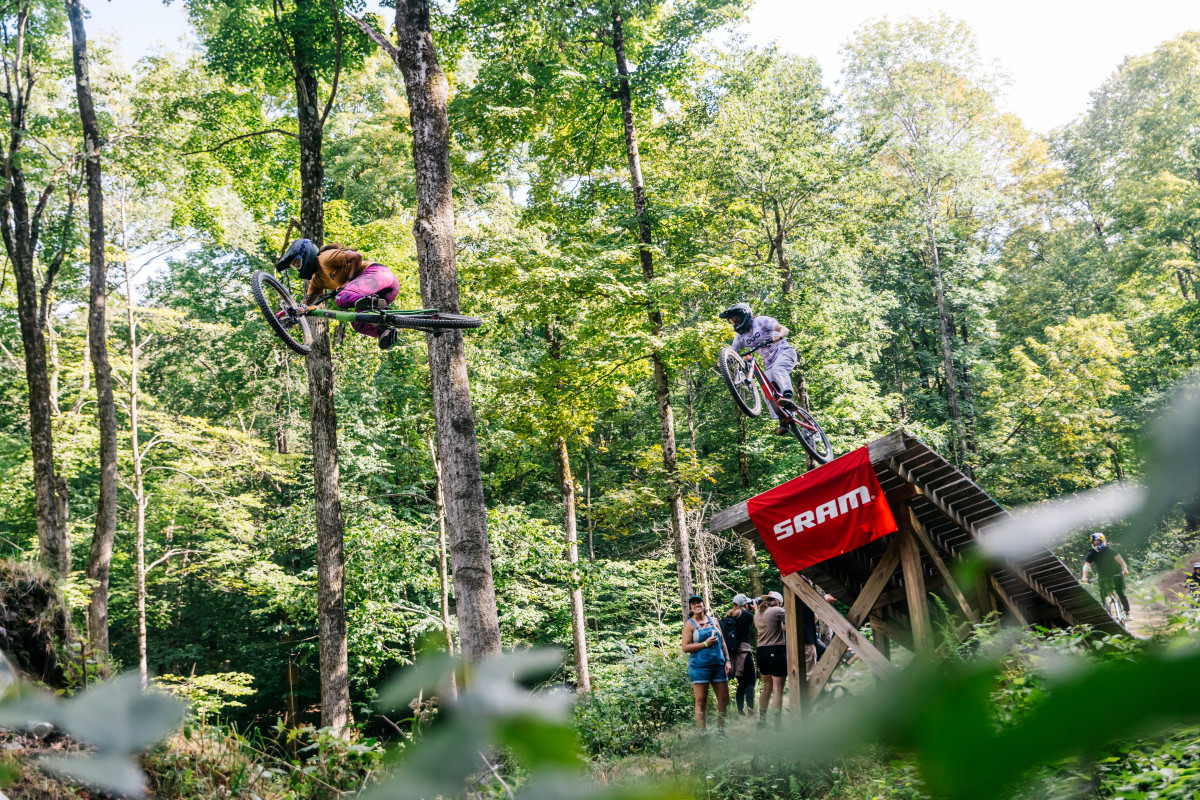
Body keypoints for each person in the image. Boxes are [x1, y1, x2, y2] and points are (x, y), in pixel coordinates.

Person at [277, 239, 403, 350]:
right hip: (386, 291)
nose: (298, 268)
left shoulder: (324, 258)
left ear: (306, 253)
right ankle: (385, 331)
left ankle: (374, 305)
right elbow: (306, 303)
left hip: (378, 274)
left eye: (297, 263)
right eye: (295, 266)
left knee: (342, 298)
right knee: (358, 322)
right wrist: (293, 316)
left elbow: (357, 256)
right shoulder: (317, 280)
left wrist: (348, 282)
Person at [719, 303, 798, 435]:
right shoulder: (740, 337)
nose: (735, 322)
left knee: (777, 370)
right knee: (765, 389)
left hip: (784, 352)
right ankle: (783, 419)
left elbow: (784, 329)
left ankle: (788, 397)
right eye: (732, 321)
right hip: (769, 363)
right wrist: (722, 361)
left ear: (745, 314)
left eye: (737, 318)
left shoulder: (761, 321)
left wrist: (779, 335)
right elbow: (731, 351)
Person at [681, 594, 732, 734]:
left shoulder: (714, 620)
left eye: (699, 602)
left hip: (719, 665)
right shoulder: (689, 625)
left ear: (704, 605)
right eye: (693, 604)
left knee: (724, 698)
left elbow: (722, 642)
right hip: (700, 666)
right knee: (701, 701)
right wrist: (705, 644)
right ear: (691, 608)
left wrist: (727, 660)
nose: (697, 605)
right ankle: (703, 733)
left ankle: (720, 730)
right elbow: (685, 647)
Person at [754, 591, 787, 728]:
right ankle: (777, 723)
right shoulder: (778, 610)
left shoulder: (758, 614)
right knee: (778, 688)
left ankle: (762, 720)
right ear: (779, 601)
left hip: (761, 651)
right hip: (776, 650)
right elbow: (791, 622)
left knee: (766, 687)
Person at [722, 594, 757, 716]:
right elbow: (758, 625)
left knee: (741, 683)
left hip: (733, 654)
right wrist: (755, 610)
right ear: (744, 604)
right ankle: (751, 709)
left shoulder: (728, 616)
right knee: (751, 681)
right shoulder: (746, 615)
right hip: (745, 652)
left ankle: (740, 710)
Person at [1081, 532, 1130, 615]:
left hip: (1116, 573)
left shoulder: (1110, 550)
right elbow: (1086, 566)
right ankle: (1107, 611)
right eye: (1094, 542)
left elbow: (1121, 561)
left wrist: (1125, 569)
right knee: (1103, 593)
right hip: (1103, 574)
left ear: (1103, 541)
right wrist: (1084, 577)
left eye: (1098, 542)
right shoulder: (1091, 553)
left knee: (1120, 592)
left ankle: (1127, 612)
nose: (1096, 544)